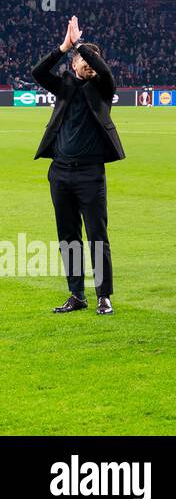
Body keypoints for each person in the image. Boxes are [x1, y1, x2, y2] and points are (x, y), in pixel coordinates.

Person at [32, 16, 125, 315]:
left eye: (91, 60)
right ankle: (77, 294)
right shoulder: (63, 88)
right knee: (67, 237)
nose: (87, 64)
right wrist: (63, 47)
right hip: (59, 172)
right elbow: (37, 71)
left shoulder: (102, 90)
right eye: (81, 60)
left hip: (90, 174)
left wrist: (82, 46)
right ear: (72, 65)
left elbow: (105, 71)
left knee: (98, 235)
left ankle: (103, 296)